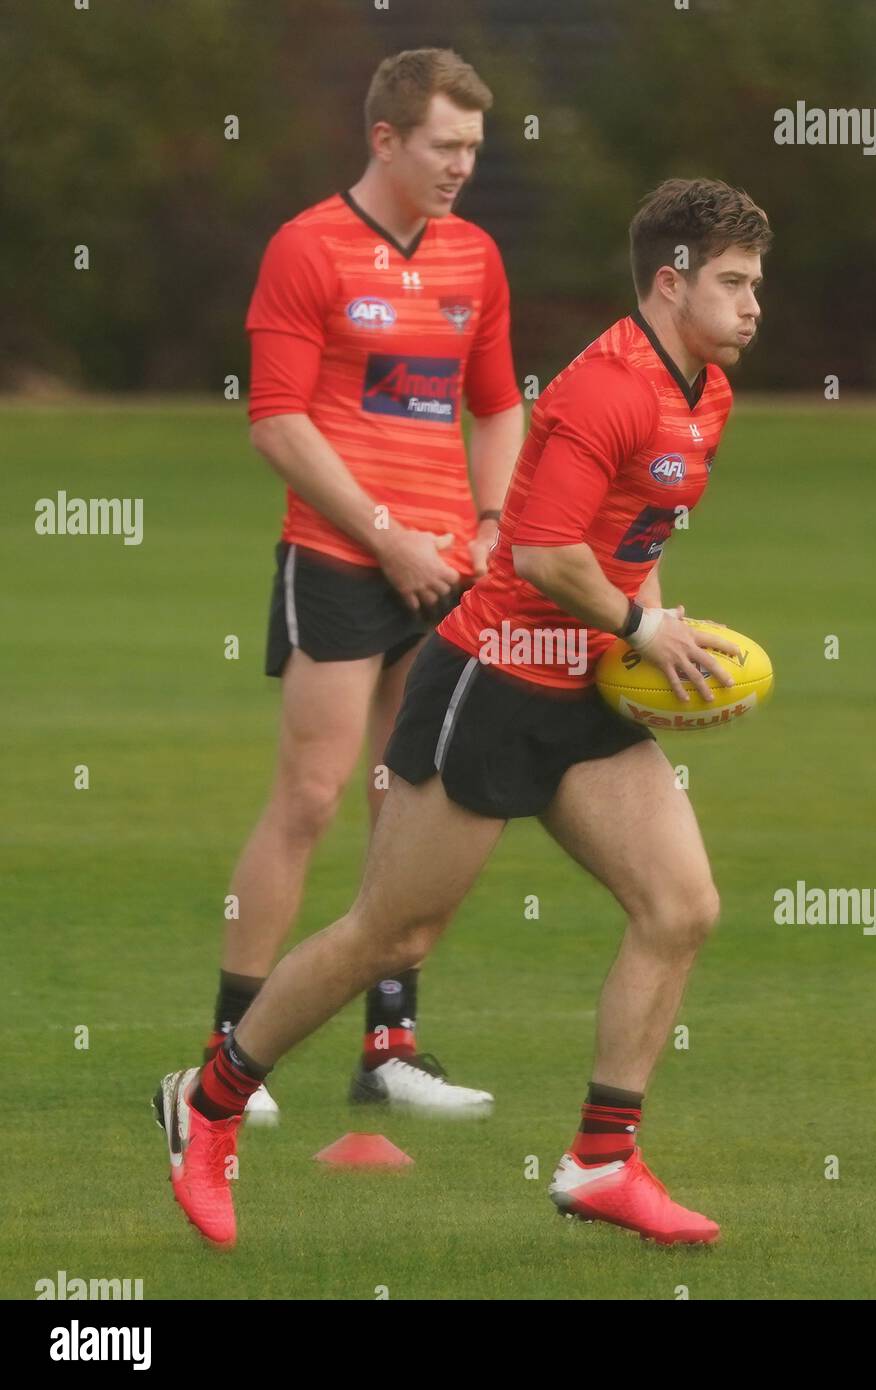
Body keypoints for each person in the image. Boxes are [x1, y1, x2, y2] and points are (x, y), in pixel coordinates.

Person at [156, 176, 771, 1248]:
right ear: (670, 284)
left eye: (757, 282)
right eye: (732, 282)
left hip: (585, 682)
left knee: (682, 906)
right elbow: (542, 554)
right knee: (389, 931)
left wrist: (654, 637)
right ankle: (205, 1107)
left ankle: (600, 1162)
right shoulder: (604, 389)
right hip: (488, 683)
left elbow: (638, 534)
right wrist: (641, 626)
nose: (755, 303)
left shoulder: (705, 391)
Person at [205, 49, 524, 1123]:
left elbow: (495, 405)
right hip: (343, 558)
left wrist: (485, 523)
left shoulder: (476, 257)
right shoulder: (307, 247)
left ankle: (389, 1049)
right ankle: (229, 1050)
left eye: (474, 149)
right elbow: (276, 422)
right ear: (384, 139)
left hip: (447, 569)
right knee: (309, 797)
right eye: (446, 145)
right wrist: (387, 536)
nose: (462, 167)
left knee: (409, 803)